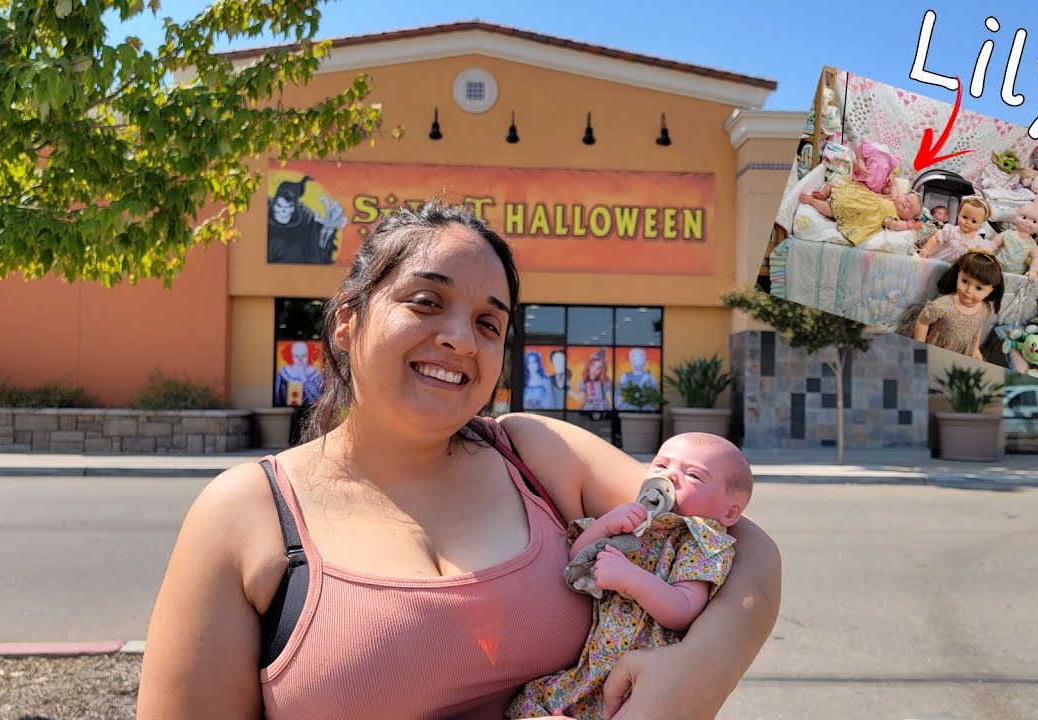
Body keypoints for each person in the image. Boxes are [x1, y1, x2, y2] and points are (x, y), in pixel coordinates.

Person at [136, 201, 781, 720]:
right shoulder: (247, 512)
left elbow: (746, 546)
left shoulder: (536, 453)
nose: (460, 339)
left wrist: (695, 674)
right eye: (426, 301)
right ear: (346, 323)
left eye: (489, 324)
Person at [509, 432, 754, 720]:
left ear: (729, 513)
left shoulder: (701, 541)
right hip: (594, 664)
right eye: (661, 466)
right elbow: (577, 561)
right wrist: (604, 527)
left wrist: (629, 578)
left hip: (645, 674)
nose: (670, 477)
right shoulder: (640, 521)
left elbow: (684, 608)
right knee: (532, 703)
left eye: (693, 476)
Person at [913, 250, 1005, 360]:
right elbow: (922, 322)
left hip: (962, 353)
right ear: (958, 275)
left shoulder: (985, 308)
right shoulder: (943, 306)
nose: (969, 290)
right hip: (937, 351)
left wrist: (975, 349)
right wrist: (919, 350)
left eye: (978, 288)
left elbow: (978, 328)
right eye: (965, 281)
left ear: (990, 291)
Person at [798, 181, 923, 246]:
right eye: (907, 200)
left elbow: (893, 225)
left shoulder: (894, 216)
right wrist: (892, 183)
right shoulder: (894, 198)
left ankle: (812, 201)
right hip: (860, 198)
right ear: (902, 195)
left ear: (907, 219)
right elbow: (894, 187)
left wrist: (908, 226)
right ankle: (823, 194)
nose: (907, 204)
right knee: (834, 186)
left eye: (910, 209)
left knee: (833, 210)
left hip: (861, 211)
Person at [267, 176, 346, 265]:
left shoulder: (306, 218)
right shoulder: (263, 211)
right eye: (279, 206)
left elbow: (320, 249)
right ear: (274, 205)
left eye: (290, 207)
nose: (284, 211)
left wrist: (327, 230)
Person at [919, 196, 994, 264]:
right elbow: (936, 238)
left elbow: (981, 257)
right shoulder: (951, 230)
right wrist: (927, 249)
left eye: (973, 221)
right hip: (937, 259)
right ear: (958, 213)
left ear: (981, 223)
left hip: (954, 268)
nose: (967, 222)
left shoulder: (977, 243)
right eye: (964, 217)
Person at [273, 341, 324, 407]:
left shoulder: (315, 374)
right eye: (297, 356)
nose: (300, 360)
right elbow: (277, 398)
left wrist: (305, 380)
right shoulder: (283, 373)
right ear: (291, 356)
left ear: (309, 356)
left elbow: (319, 400)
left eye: (304, 356)